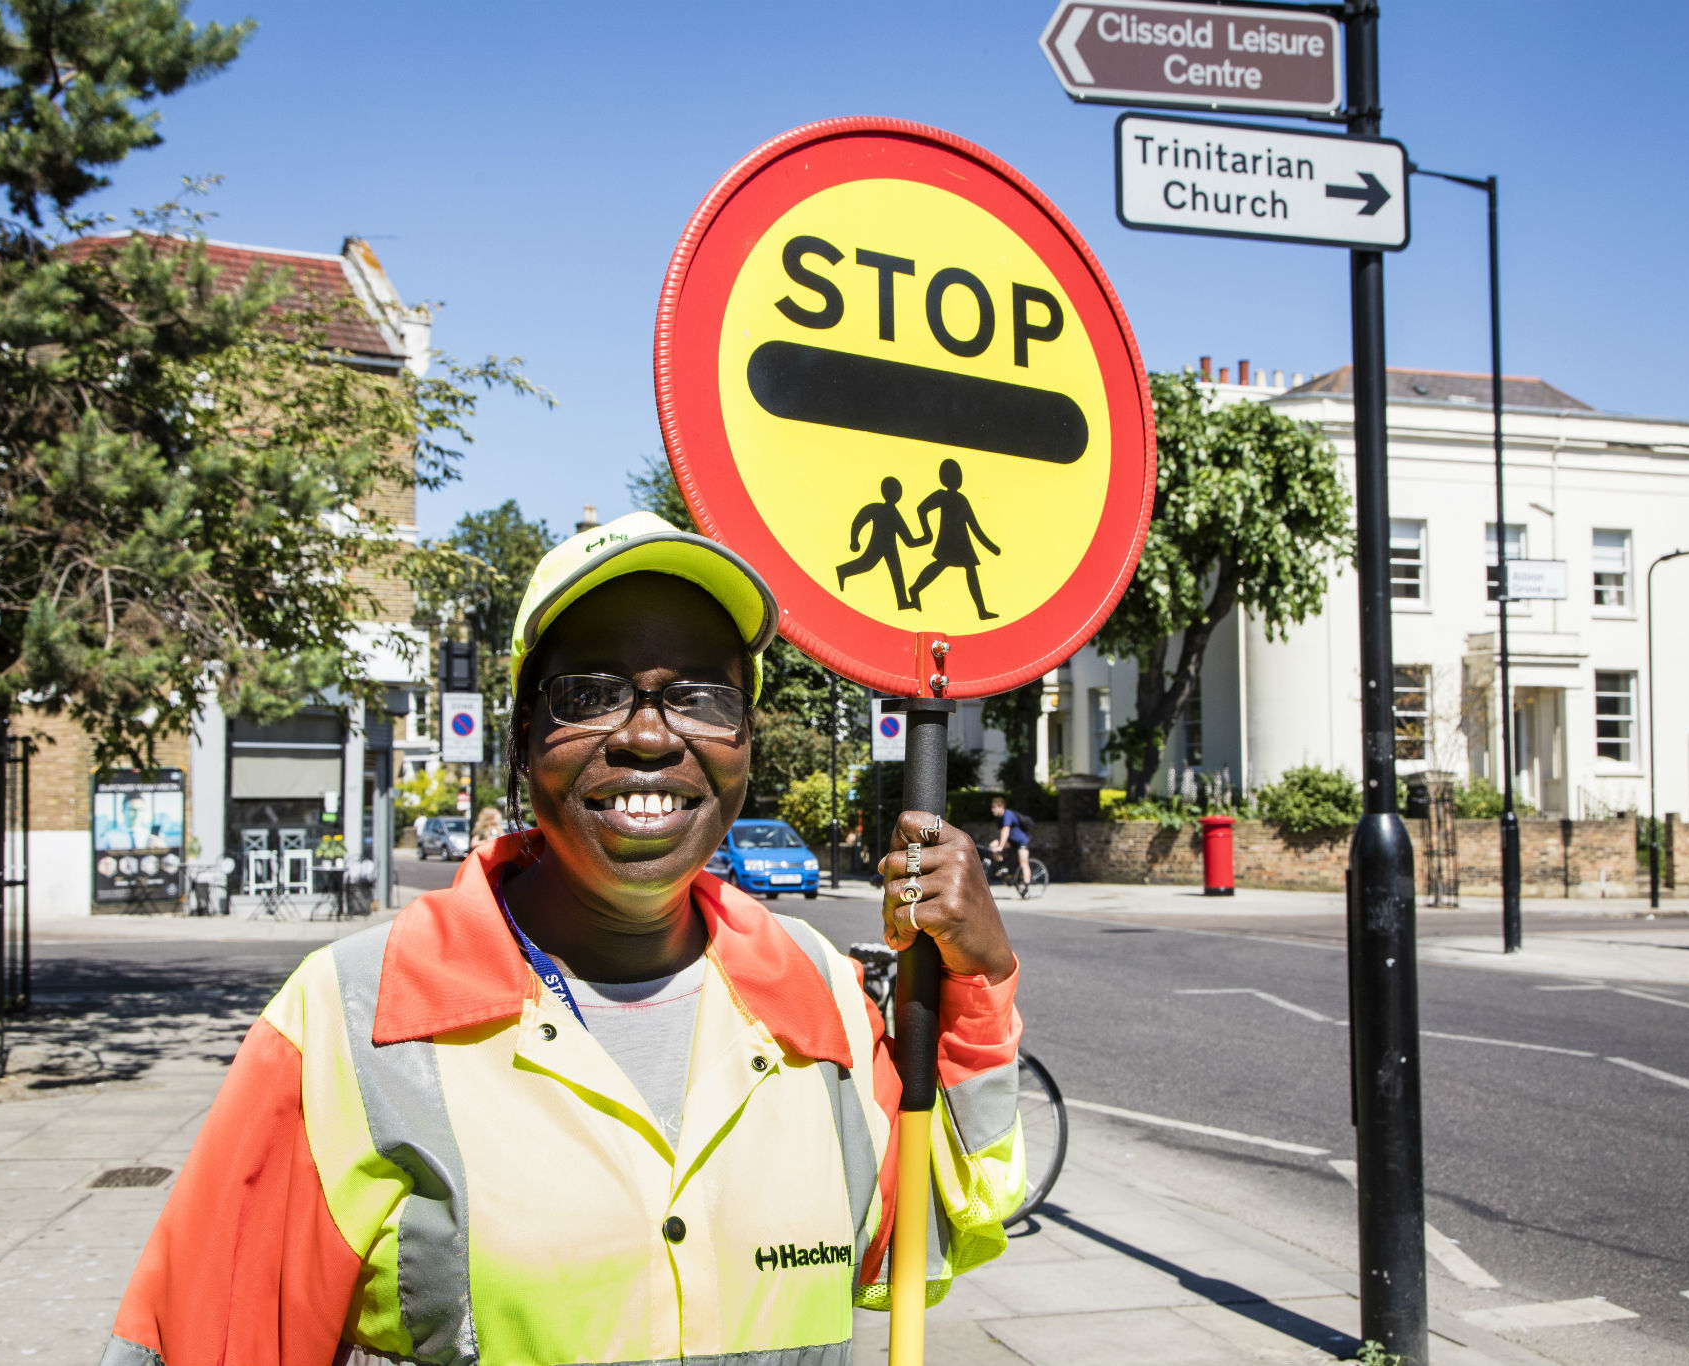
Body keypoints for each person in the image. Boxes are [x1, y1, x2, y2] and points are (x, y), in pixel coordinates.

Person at [100, 511, 1024, 1366]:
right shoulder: (353, 1017)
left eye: (701, 696)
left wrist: (978, 984)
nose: (652, 738)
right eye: (591, 692)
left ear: (747, 742)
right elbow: (208, 1335)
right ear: (520, 740)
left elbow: (928, 1236)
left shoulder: (816, 990)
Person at [907, 458, 1001, 620]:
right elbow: (921, 508)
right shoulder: (942, 496)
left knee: (961, 568)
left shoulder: (961, 499)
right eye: (954, 475)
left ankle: (981, 611)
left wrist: (991, 546)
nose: (957, 479)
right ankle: (915, 589)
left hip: (962, 541)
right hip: (950, 540)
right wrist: (927, 532)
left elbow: (974, 526)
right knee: (944, 566)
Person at [836, 475, 927, 609]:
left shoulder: (888, 511)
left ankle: (902, 601)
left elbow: (908, 540)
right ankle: (842, 571)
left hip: (889, 547)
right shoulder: (882, 509)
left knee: (895, 571)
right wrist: (854, 540)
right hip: (879, 545)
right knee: (867, 564)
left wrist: (925, 539)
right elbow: (859, 520)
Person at [988, 793, 1032, 888]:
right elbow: (1002, 835)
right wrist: (999, 846)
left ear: (1001, 807)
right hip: (1011, 842)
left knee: (1023, 862)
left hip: (1021, 842)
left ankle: (1026, 887)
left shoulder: (1008, 814)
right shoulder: (999, 819)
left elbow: (1005, 831)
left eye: (994, 807)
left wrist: (1001, 846)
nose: (992, 810)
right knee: (992, 845)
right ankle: (1002, 866)